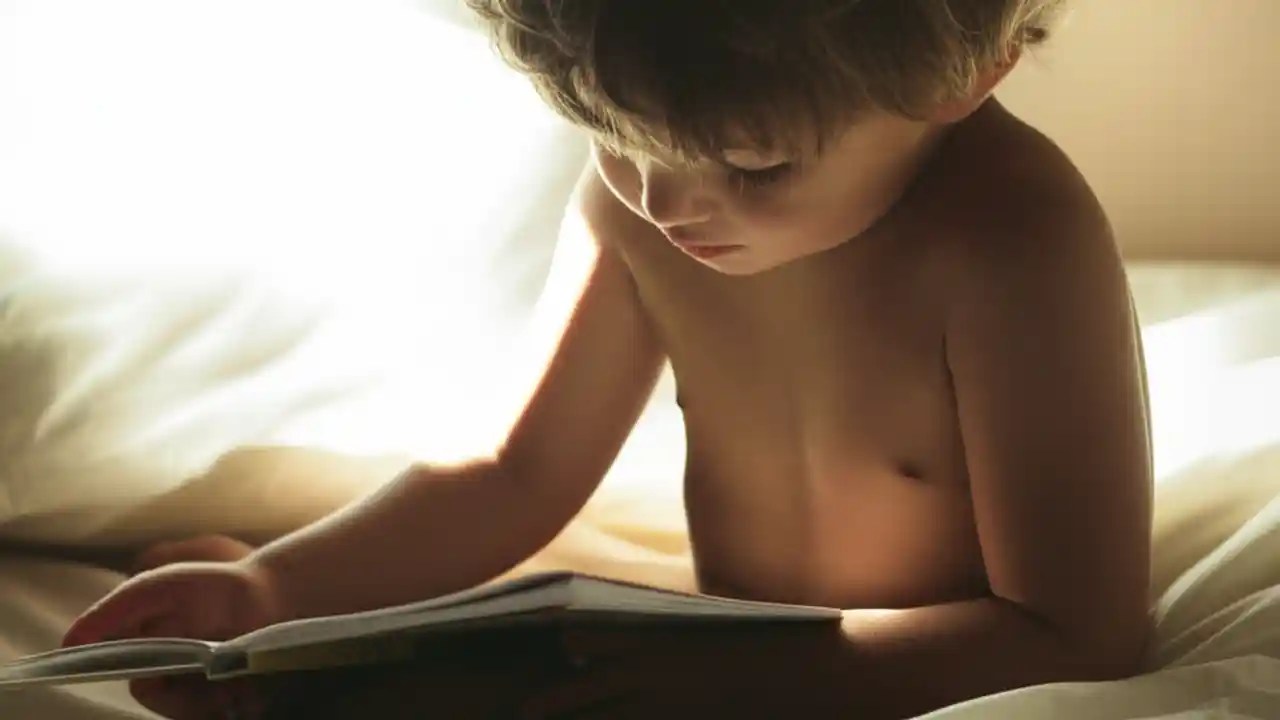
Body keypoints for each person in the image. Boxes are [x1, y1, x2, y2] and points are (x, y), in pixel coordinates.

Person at [62, 1, 1154, 717]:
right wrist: (272, 585)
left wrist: (745, 678)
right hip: (706, 651)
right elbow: (515, 474)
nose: (662, 201)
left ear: (964, 77)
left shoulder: (1011, 244)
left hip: (903, 688)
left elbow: (1074, 633)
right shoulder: (644, 206)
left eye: (755, 164)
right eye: (616, 142)